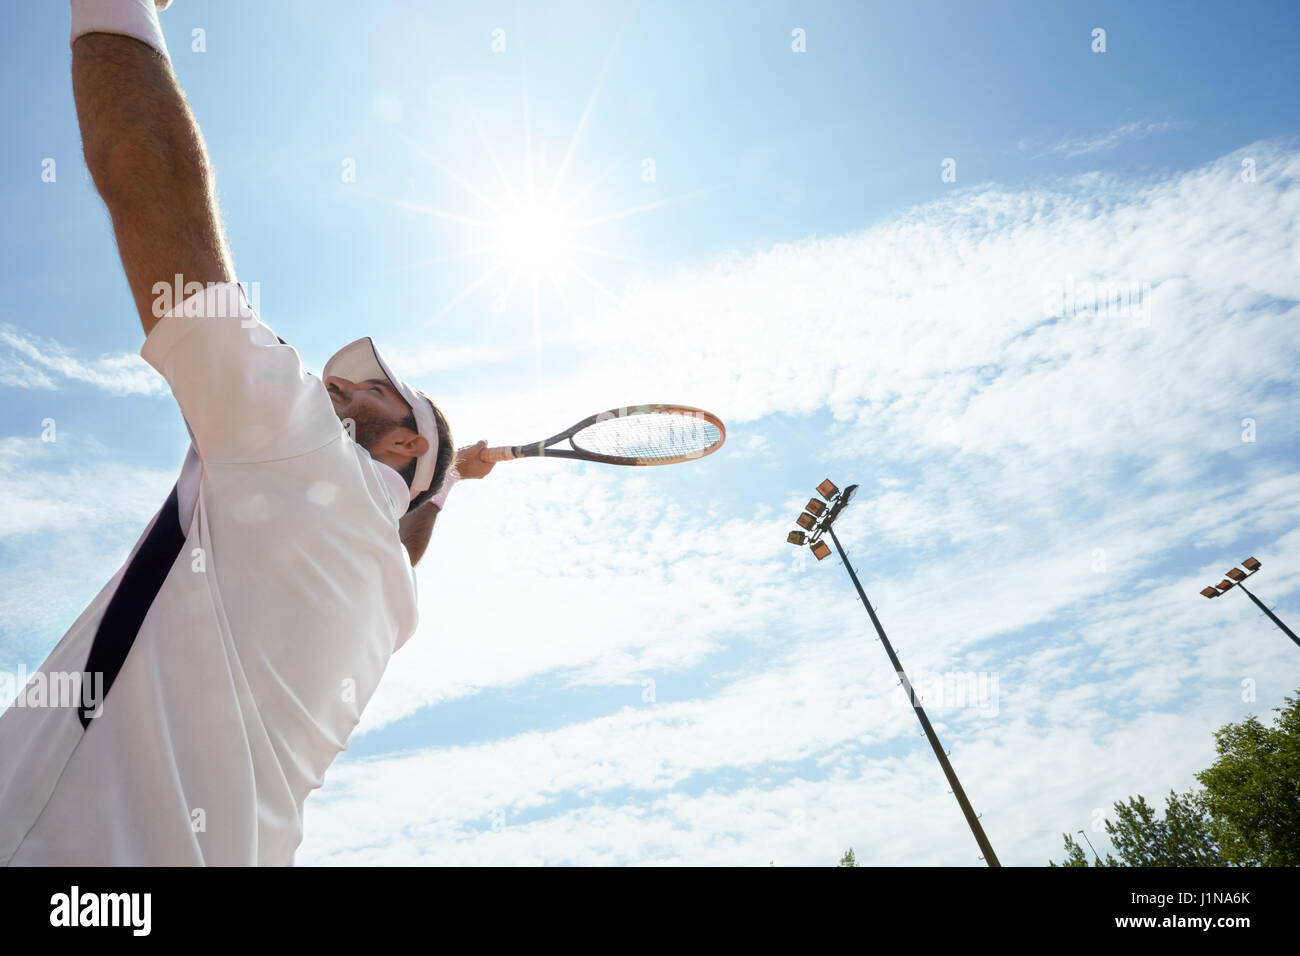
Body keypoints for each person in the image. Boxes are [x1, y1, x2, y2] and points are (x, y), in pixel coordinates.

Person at [0, 0, 491, 865]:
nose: (334, 382)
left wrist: (118, 11)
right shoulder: (387, 604)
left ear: (404, 444)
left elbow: (143, 181)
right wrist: (447, 483)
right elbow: (409, 531)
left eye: (368, 387)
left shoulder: (303, 456)